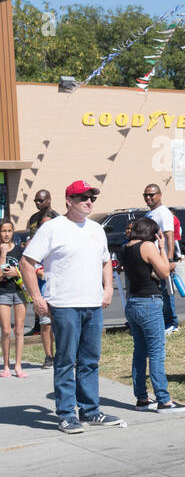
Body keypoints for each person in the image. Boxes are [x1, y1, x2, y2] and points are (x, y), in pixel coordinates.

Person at [18, 180, 120, 433]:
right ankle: (65, 414)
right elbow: (26, 263)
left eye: (92, 198)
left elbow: (106, 261)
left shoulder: (96, 229)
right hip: (64, 306)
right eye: (83, 197)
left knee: (90, 361)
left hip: (92, 305)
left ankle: (90, 410)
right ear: (69, 201)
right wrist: (37, 299)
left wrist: (108, 288)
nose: (89, 201)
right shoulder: (52, 229)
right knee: (65, 361)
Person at [119, 217, 185, 412]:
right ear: (151, 232)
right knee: (156, 352)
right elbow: (165, 272)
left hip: (132, 302)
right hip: (149, 302)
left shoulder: (124, 248)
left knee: (139, 352)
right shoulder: (148, 246)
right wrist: (163, 248)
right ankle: (163, 400)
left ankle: (141, 398)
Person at [142, 183, 179, 334]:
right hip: (152, 258)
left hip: (162, 258)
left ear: (160, 195)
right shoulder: (150, 214)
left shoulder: (163, 213)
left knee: (166, 291)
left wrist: (169, 260)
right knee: (157, 292)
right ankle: (162, 321)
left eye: (151, 195)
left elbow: (170, 235)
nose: (148, 198)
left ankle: (172, 323)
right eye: (146, 195)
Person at [27, 207, 57, 368]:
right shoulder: (35, 244)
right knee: (46, 325)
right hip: (44, 291)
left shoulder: (61, 240)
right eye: (43, 225)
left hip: (62, 291)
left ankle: (64, 355)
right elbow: (37, 270)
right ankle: (48, 356)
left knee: (62, 326)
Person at [0, 221, 29, 377]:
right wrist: (3, 254)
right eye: (3, 231)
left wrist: (16, 274)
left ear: (13, 232)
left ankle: (18, 366)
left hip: (19, 292)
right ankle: (6, 365)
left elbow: (26, 272)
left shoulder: (20, 250)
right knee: (5, 330)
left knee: (19, 329)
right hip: (2, 292)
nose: (6, 234)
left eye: (9, 231)